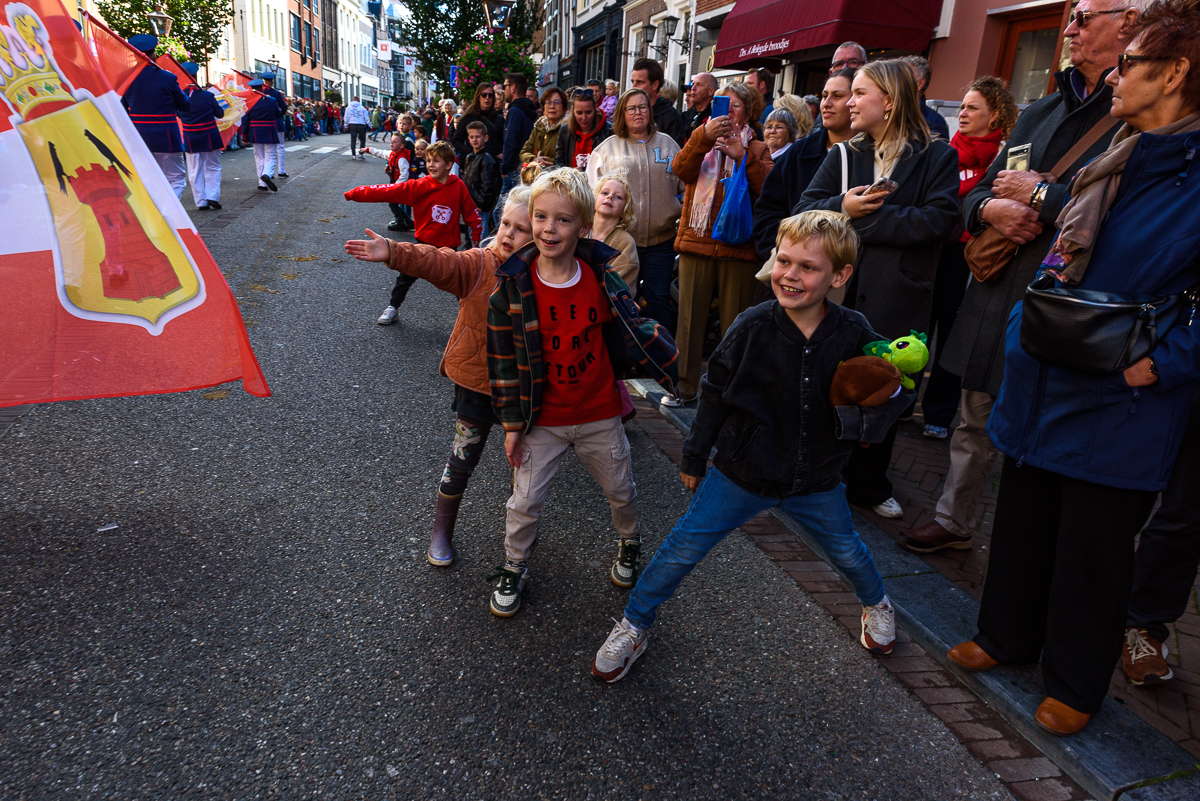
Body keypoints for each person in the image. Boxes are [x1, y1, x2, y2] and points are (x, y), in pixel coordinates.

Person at [948, 0, 1200, 736]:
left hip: (1122, 391)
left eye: (1132, 62)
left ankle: (1075, 679)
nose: (1115, 74)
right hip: (1046, 368)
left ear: (1176, 73)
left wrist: (1157, 366)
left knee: (1093, 544)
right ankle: (1005, 635)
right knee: (1024, 515)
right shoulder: (1114, 151)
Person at [591, 210, 903, 683]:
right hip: (741, 471)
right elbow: (714, 394)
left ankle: (876, 603)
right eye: (784, 261)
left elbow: (893, 386)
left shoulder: (855, 330)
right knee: (681, 550)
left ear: (840, 276)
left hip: (817, 477)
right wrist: (695, 455)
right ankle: (635, 623)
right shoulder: (752, 325)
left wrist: (882, 402)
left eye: (808, 267)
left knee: (848, 552)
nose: (790, 275)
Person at [901, 0, 1135, 555]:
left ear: (1128, 24)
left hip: (1066, 299)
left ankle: (1026, 549)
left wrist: (1037, 197)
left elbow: (1117, 218)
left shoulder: (1134, 116)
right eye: (1070, 15)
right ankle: (953, 520)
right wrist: (988, 211)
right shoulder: (1037, 112)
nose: (1070, 28)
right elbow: (978, 194)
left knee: (1045, 434)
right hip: (996, 287)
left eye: (1085, 17)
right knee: (972, 415)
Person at [484, 169, 679, 617]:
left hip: (598, 412)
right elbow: (504, 365)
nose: (549, 229)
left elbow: (631, 327)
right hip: (543, 418)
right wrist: (513, 426)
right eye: (541, 217)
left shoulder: (601, 278)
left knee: (622, 489)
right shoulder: (512, 288)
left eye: (563, 220)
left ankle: (629, 542)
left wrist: (667, 359)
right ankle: (515, 565)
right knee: (525, 500)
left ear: (585, 226)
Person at [795, 59, 959, 520]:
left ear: (888, 101)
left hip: (897, 296)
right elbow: (805, 209)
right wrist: (842, 205)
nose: (849, 101)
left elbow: (940, 221)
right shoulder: (843, 155)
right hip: (839, 296)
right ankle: (818, 477)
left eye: (859, 93)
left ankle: (868, 484)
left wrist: (863, 220)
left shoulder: (938, 157)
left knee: (885, 388)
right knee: (828, 383)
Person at [343, 186, 536, 566]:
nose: (508, 235)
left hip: (527, 391)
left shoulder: (546, 276)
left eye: (522, 229)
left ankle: (520, 534)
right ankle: (442, 529)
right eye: (505, 224)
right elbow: (439, 261)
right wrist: (396, 252)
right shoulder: (480, 263)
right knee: (462, 459)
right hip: (478, 385)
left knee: (527, 469)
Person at [918, 78, 1017, 440]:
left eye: (972, 107)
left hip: (971, 257)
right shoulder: (941, 152)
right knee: (919, 328)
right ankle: (900, 400)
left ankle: (938, 415)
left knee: (953, 335)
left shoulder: (1006, 159)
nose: (962, 113)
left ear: (995, 117)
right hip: (934, 249)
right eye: (961, 106)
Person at [670, 82, 774, 405]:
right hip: (697, 243)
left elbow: (770, 190)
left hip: (740, 249)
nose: (728, 111)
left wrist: (743, 157)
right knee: (688, 321)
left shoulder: (757, 149)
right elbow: (680, 170)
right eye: (722, 104)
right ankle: (684, 387)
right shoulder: (700, 138)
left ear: (750, 111)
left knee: (735, 325)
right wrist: (702, 137)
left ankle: (728, 393)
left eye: (736, 106)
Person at [344, 141, 482, 324]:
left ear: (449, 165)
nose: (431, 164)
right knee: (405, 276)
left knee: (457, 281)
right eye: (429, 160)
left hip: (449, 245)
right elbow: (387, 191)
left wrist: (476, 241)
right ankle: (393, 307)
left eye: (437, 161)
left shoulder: (458, 186)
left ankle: (470, 315)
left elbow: (472, 215)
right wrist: (355, 193)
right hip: (423, 242)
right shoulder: (419, 186)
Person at [585, 88, 685, 332]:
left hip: (662, 241)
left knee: (659, 298)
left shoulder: (669, 145)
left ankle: (660, 355)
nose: (638, 112)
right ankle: (627, 353)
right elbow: (590, 197)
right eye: (631, 108)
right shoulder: (606, 150)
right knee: (621, 299)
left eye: (643, 107)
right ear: (622, 113)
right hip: (619, 242)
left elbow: (686, 185)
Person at [1123, 394, 1200, 685]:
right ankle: (1075, 605)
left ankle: (1142, 627)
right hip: (1150, 376)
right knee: (1111, 500)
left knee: (1185, 518)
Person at [752, 70, 857, 263]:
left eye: (838, 96)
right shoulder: (799, 153)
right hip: (792, 269)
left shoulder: (871, 154)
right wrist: (778, 253)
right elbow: (768, 209)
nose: (826, 103)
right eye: (824, 95)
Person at [122, 34, 190, 199]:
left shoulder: (126, 78)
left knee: (147, 179)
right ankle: (170, 215)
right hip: (166, 135)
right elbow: (185, 105)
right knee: (176, 178)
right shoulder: (167, 77)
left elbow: (121, 107)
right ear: (153, 54)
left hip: (139, 135)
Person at [178, 62, 225, 211]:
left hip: (190, 136)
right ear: (196, 76)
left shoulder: (179, 96)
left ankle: (201, 201)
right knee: (213, 167)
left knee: (194, 170)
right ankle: (212, 196)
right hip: (209, 135)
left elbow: (177, 113)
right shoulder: (207, 95)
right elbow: (220, 113)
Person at [591, 173, 640, 294]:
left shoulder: (625, 243)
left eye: (618, 197)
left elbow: (619, 288)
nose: (610, 197)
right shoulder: (577, 231)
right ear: (594, 199)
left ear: (624, 210)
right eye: (605, 193)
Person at [361, 132, 413, 234]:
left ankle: (401, 223)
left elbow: (404, 174)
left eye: (395, 142)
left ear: (402, 146)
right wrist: (367, 149)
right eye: (391, 141)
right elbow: (380, 153)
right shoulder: (392, 154)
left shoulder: (401, 158)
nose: (391, 143)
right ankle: (407, 221)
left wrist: (396, 186)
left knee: (393, 204)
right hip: (395, 183)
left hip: (400, 185)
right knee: (394, 203)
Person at [630, 58, 687, 146]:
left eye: (639, 82)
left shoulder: (670, 116)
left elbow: (676, 152)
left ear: (655, 85)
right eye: (632, 81)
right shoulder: (626, 111)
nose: (633, 87)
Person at [501, 72, 539, 200]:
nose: (503, 90)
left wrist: (504, 169)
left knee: (501, 211)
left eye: (505, 86)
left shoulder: (515, 111)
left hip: (514, 169)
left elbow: (511, 141)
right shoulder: (528, 109)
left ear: (513, 88)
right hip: (523, 166)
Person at [554, 88, 612, 171]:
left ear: (595, 109)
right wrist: (570, 173)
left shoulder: (608, 130)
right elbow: (558, 162)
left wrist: (585, 171)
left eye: (588, 112)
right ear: (573, 111)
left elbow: (612, 164)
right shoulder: (564, 131)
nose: (584, 118)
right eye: (579, 113)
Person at [519, 87, 569, 182]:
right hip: (535, 179)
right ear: (543, 109)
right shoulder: (539, 127)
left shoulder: (568, 129)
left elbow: (566, 159)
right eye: (548, 102)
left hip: (558, 180)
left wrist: (543, 162)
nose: (552, 106)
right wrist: (534, 158)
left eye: (557, 102)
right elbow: (523, 153)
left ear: (564, 108)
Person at [461, 121, 501, 239]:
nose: (475, 140)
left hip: (479, 206)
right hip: (469, 203)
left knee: (480, 234)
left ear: (485, 138)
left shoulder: (487, 159)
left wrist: (480, 203)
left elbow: (488, 185)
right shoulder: (470, 157)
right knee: (470, 233)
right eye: (472, 137)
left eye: (478, 137)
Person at [244, 78, 283, 192]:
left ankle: (262, 183)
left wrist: (244, 136)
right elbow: (279, 115)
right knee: (270, 156)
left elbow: (245, 120)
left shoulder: (249, 101)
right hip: (269, 130)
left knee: (259, 157)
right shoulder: (271, 100)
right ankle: (267, 174)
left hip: (255, 131)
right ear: (262, 88)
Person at [900, 56, 950, 141]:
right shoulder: (884, 110)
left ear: (920, 84)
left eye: (903, 76)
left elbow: (938, 153)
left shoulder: (934, 122)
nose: (896, 81)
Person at [452, 82, 504, 161]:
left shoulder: (499, 119)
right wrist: (471, 153)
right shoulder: (468, 118)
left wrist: (501, 154)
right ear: (478, 97)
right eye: (484, 95)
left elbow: (505, 141)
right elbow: (456, 140)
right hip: (474, 164)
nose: (487, 98)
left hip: (494, 164)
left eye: (490, 95)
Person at [260, 73, 288, 177]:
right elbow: (283, 107)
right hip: (276, 122)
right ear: (272, 81)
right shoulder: (275, 93)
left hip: (261, 124)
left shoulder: (259, 92)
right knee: (280, 147)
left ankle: (267, 172)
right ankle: (281, 170)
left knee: (264, 151)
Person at [344, 95, 371, 160]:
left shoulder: (348, 108)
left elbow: (346, 117)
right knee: (362, 140)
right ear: (359, 101)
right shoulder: (362, 108)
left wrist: (345, 125)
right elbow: (366, 117)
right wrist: (370, 125)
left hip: (352, 124)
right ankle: (361, 154)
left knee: (353, 140)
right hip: (361, 125)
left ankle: (353, 155)